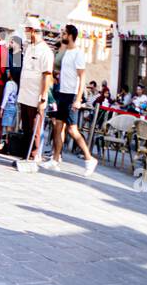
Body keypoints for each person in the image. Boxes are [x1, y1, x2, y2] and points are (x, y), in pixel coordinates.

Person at [43, 24, 98, 175]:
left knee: (72, 130)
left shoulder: (78, 54)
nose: (62, 36)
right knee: (57, 127)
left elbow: (82, 77)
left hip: (72, 95)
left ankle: (89, 159)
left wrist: (78, 99)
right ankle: (55, 160)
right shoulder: (66, 52)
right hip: (62, 93)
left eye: (64, 34)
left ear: (71, 36)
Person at [16, 24, 53, 164]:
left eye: (26, 30)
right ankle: (26, 154)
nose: (25, 33)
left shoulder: (45, 51)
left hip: (35, 96)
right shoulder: (29, 47)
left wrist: (43, 97)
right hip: (24, 94)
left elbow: (46, 76)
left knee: (34, 128)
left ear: (32, 31)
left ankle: (33, 155)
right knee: (25, 127)